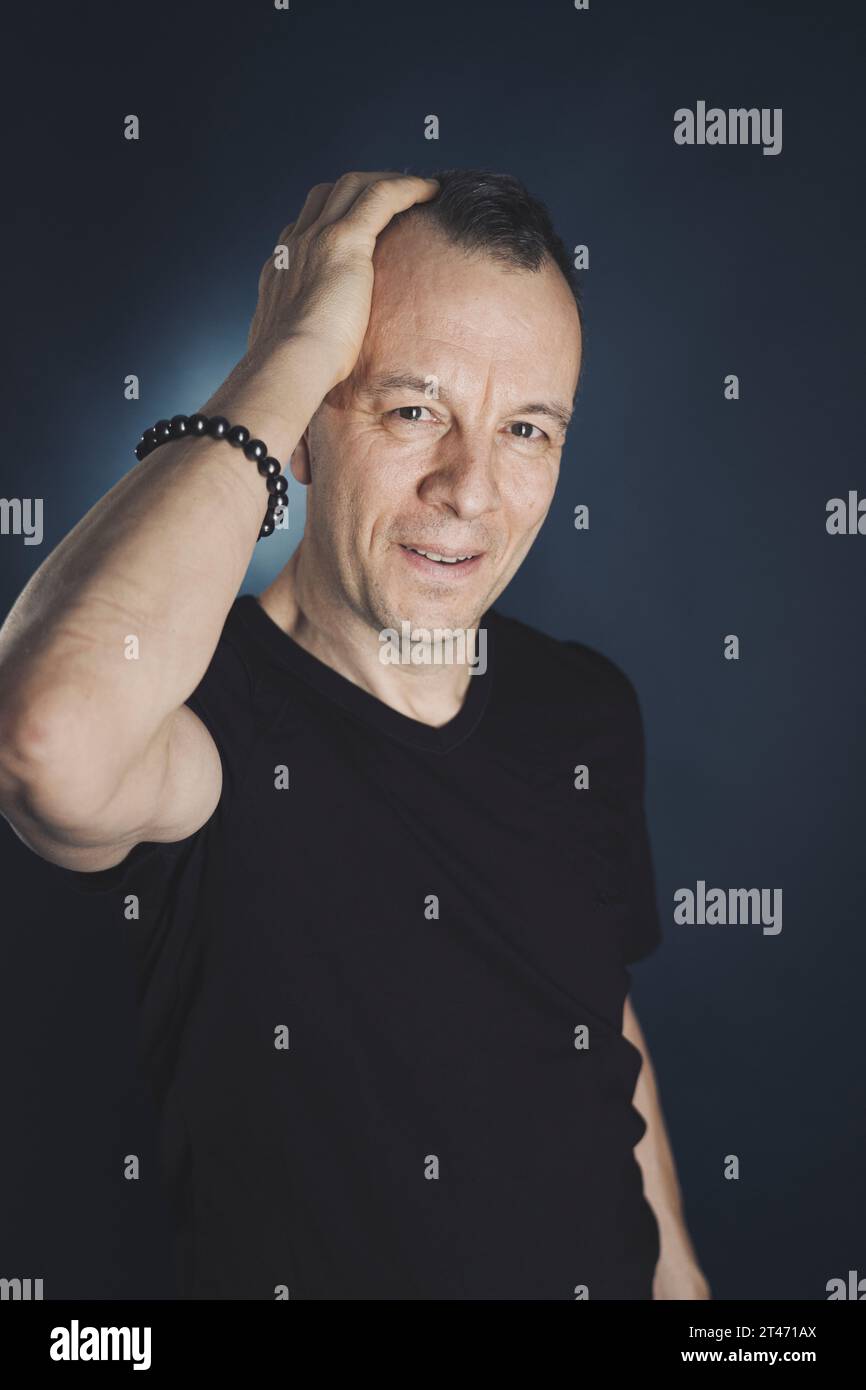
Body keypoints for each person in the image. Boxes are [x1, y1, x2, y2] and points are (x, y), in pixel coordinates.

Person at [0, 167, 710, 1300]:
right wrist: (286, 350)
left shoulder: (583, 708)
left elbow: (601, 1048)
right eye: (411, 408)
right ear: (306, 422)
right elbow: (46, 731)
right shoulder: (199, 717)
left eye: (525, 428)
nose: (467, 488)